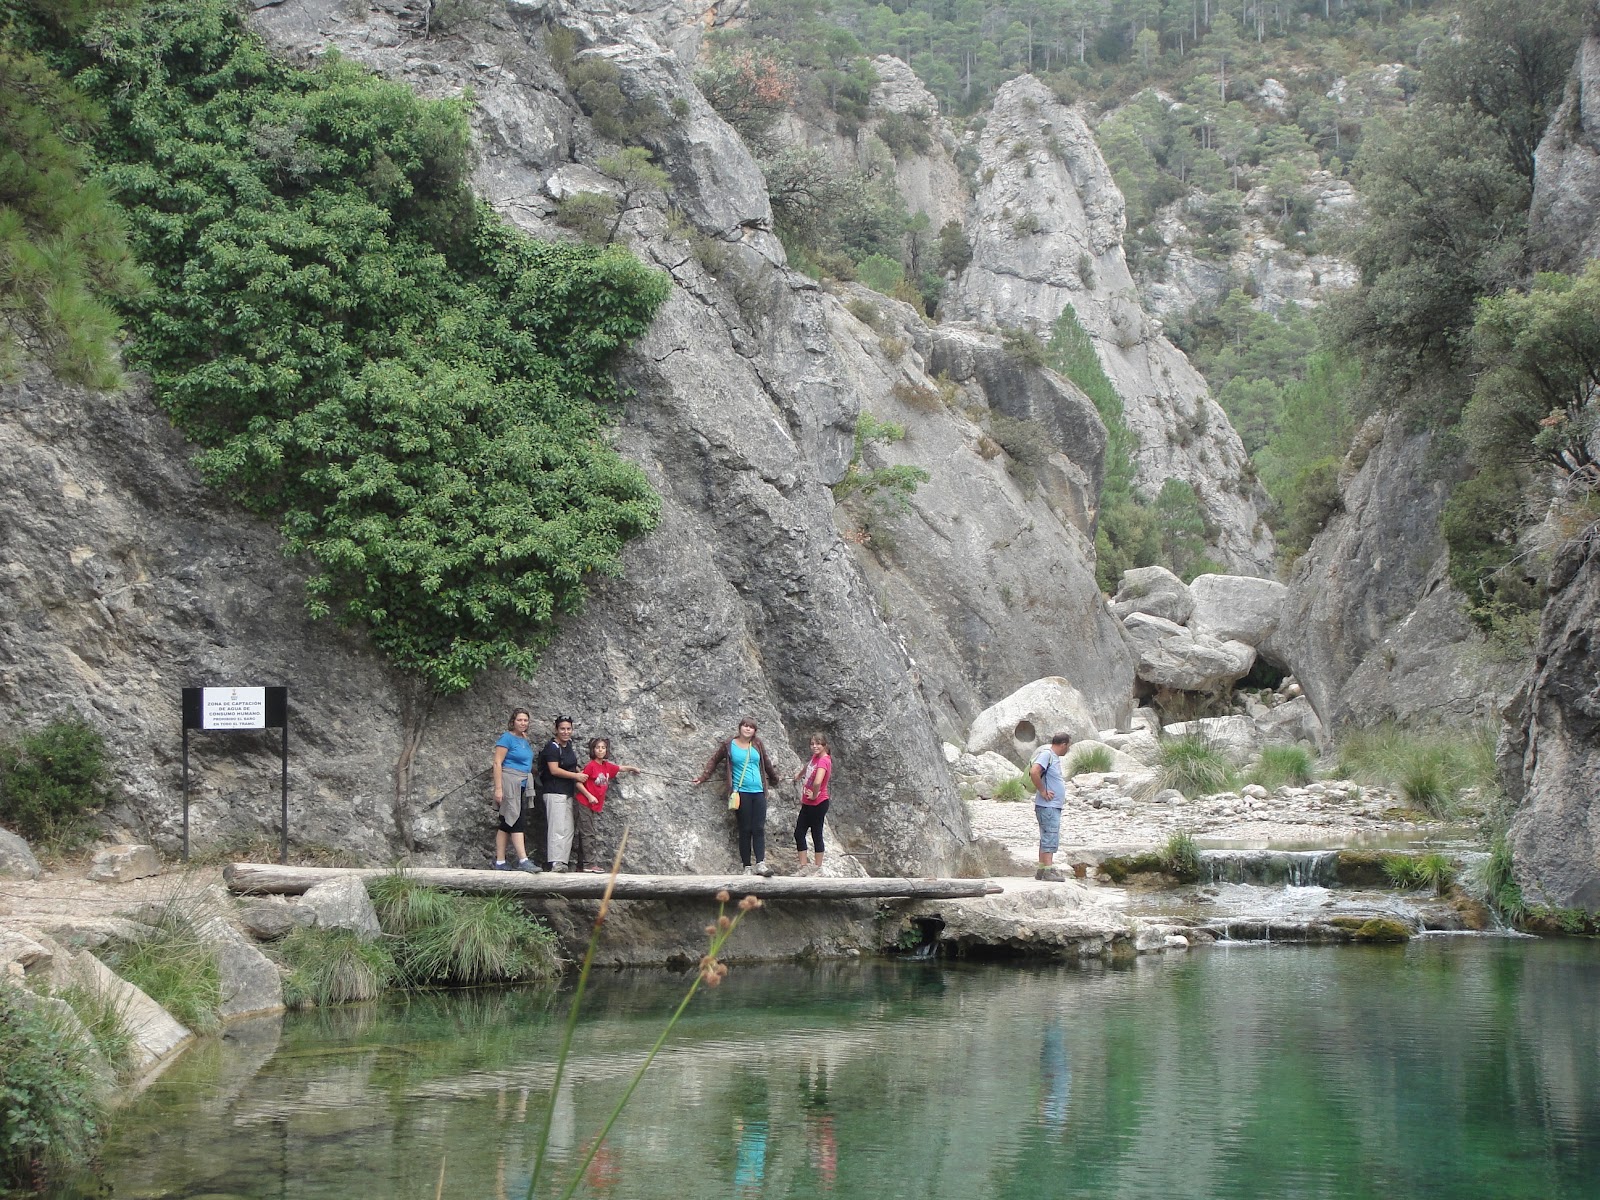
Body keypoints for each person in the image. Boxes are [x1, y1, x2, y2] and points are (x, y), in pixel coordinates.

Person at [692, 717, 780, 875]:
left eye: (751, 727)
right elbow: (714, 760)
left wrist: (774, 779)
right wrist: (703, 777)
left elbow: (766, 763)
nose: (748, 729)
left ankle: (760, 863)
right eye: (745, 726)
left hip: (759, 791)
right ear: (740, 728)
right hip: (741, 793)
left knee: (758, 828)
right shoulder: (729, 745)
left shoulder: (757, 744)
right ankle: (747, 866)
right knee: (745, 829)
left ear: (754, 731)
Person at [575, 737, 639, 873]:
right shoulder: (591, 765)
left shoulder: (606, 766)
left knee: (587, 832)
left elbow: (620, 768)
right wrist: (589, 796)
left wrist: (633, 768)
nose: (600, 750)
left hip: (593, 805)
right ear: (593, 750)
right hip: (585, 802)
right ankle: (589, 864)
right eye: (597, 748)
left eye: (603, 748)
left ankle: (581, 864)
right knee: (588, 833)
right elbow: (578, 782)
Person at [491, 709, 541, 872]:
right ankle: (523, 860)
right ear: (513, 721)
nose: (523, 723)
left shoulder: (524, 739)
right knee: (516, 819)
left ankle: (500, 862)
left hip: (522, 782)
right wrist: (499, 789)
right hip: (510, 782)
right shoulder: (507, 738)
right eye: (520, 720)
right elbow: (498, 763)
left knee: (507, 822)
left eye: (526, 720)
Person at [538, 715, 587, 872]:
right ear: (556, 730)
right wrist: (576, 777)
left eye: (568, 729)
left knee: (568, 828)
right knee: (557, 827)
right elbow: (554, 770)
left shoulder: (568, 746)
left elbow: (572, 765)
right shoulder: (552, 747)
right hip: (554, 791)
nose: (566, 732)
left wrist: (582, 773)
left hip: (567, 792)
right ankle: (554, 861)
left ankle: (562, 862)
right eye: (562, 729)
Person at [1029, 732, 1072, 882]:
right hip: (1048, 806)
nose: (1068, 749)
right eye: (1068, 746)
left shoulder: (1051, 756)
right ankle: (1048, 870)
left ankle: (1041, 870)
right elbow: (1034, 771)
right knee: (1050, 835)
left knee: (1047, 835)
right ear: (1064, 744)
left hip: (1050, 806)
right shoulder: (1047, 754)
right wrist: (1043, 790)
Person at [792, 733, 832, 876]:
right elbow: (808, 765)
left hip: (818, 803)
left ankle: (817, 867)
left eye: (818, 744)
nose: (815, 746)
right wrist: (799, 774)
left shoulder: (824, 761)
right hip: (808, 803)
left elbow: (817, 781)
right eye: (813, 744)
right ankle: (804, 866)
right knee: (799, 833)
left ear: (824, 745)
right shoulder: (816, 758)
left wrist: (815, 794)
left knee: (816, 834)